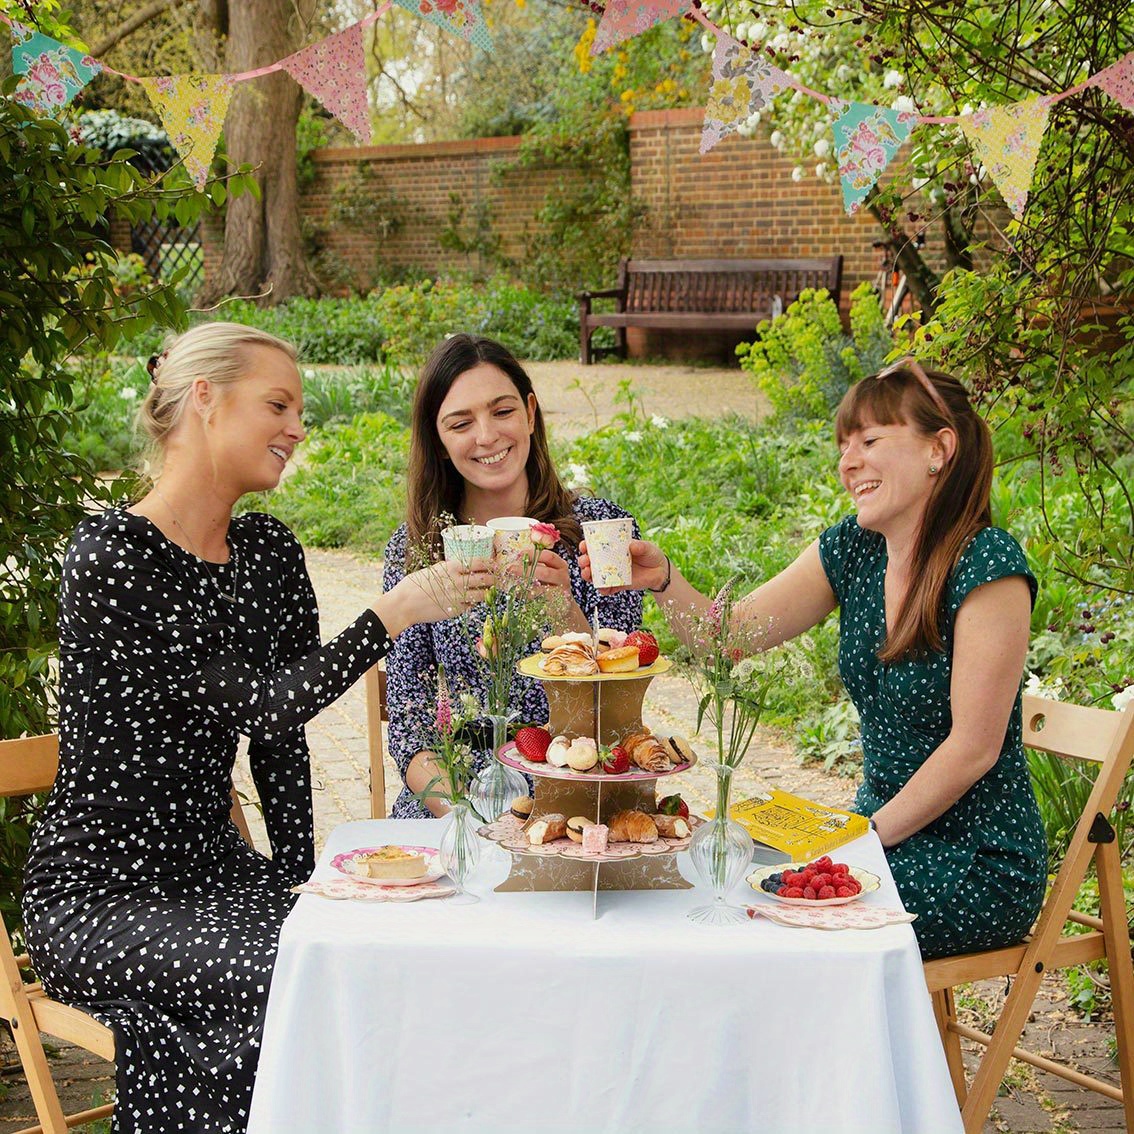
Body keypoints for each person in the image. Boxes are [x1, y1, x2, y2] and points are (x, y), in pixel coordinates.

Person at [21, 322, 491, 1133]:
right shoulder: (114, 557)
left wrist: (306, 882)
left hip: (218, 872)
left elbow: (281, 743)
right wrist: (394, 610)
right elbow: (265, 704)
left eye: (300, 409)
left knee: (375, 950)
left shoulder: (268, 550)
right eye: (278, 403)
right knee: (307, 980)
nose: (298, 427)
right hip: (101, 895)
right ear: (205, 398)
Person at [582, 360, 1047, 959]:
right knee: (719, 880)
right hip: (876, 836)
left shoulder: (988, 567)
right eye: (843, 446)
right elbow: (731, 636)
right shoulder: (853, 549)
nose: (847, 462)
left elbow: (973, 748)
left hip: (975, 859)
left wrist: (861, 840)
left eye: (871, 440)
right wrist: (663, 579)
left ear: (940, 449)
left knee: (776, 919)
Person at [383, 333, 644, 818]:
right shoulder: (414, 547)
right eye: (461, 423)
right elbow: (409, 726)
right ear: (438, 443)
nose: (486, 436)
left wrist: (563, 609)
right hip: (453, 800)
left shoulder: (600, 531)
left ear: (529, 412)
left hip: (573, 784)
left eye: (502, 412)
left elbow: (622, 707)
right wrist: (464, 817)